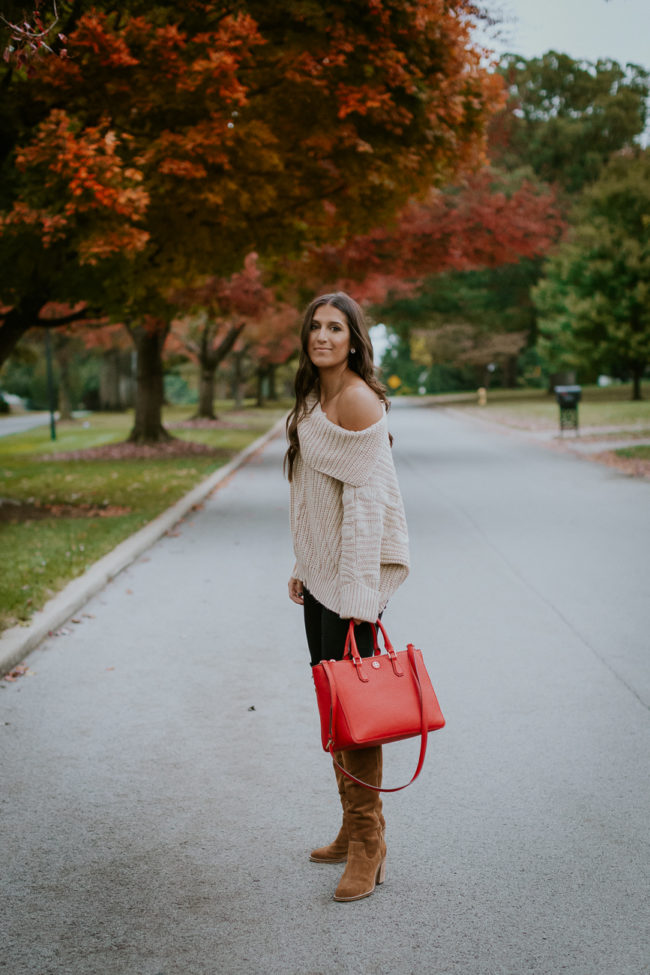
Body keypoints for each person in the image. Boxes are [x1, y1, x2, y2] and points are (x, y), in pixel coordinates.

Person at [285, 291, 410, 902]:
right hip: (324, 576)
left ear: (354, 340)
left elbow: (366, 509)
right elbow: (317, 496)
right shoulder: (314, 398)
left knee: (355, 713)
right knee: (335, 707)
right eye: (315, 326)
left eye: (335, 327)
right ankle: (351, 824)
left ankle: (368, 843)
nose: (323, 336)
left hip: (352, 583)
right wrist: (304, 564)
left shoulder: (357, 400)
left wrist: (358, 597)